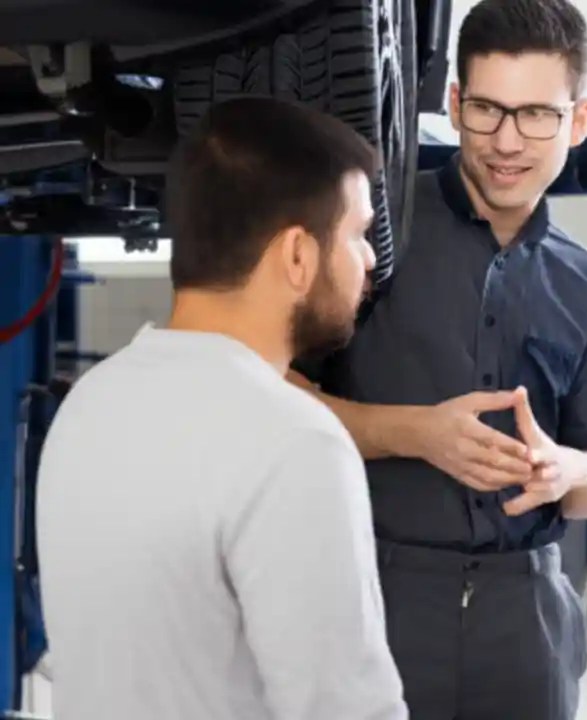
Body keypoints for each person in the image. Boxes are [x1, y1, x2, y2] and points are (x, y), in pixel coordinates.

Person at [290, 0, 587, 718]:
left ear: (578, 117)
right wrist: (413, 433)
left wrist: (568, 470)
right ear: (453, 103)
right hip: (379, 596)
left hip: (527, 616)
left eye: (536, 114)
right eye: (486, 110)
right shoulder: (373, 236)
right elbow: (274, 397)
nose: (507, 141)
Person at [36, 97, 408, 720]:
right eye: (357, 234)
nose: (370, 258)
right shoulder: (294, 442)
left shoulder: (89, 405)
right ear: (297, 256)